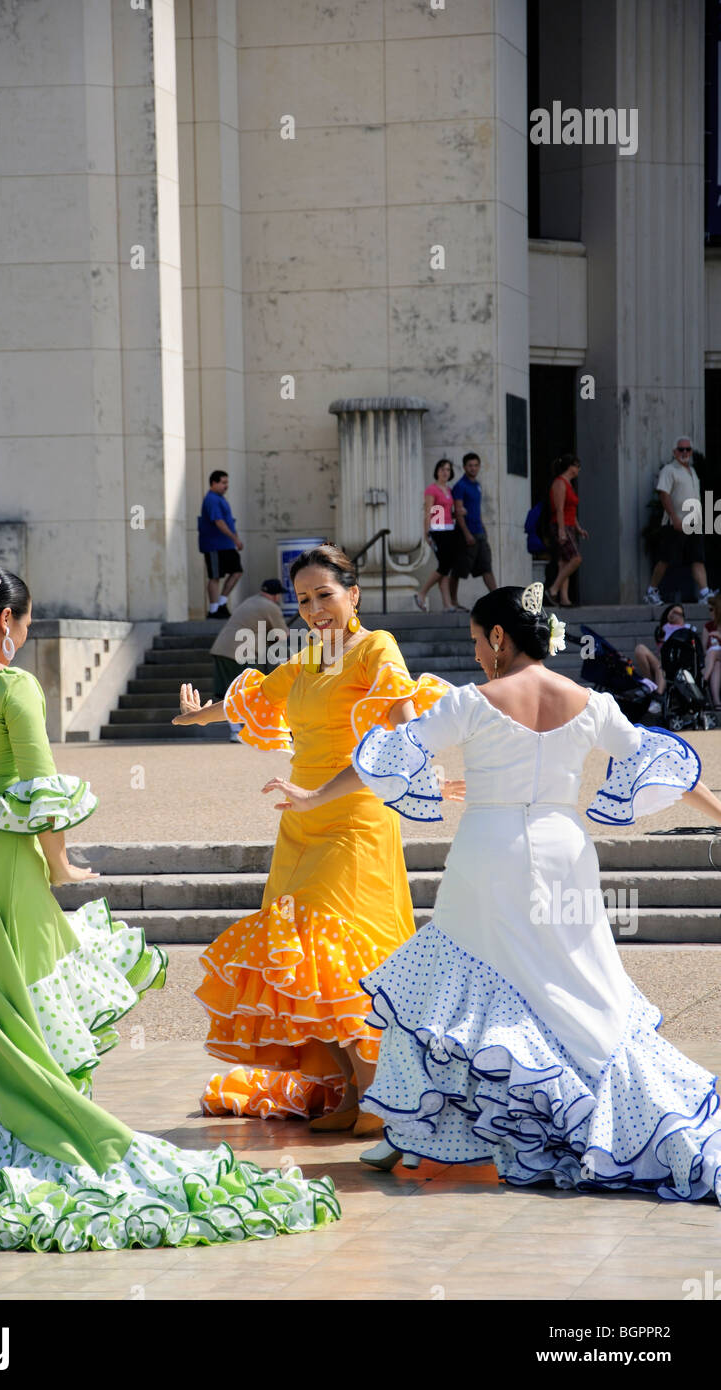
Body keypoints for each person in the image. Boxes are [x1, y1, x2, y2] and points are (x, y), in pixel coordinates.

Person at [0, 560, 338, 1250]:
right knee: (32, 988)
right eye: (22, 624)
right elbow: (38, 790)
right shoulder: (10, 683)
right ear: (4, 622)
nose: (20, 636)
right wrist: (59, 864)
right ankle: (45, 1122)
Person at [270, 584, 721, 1201]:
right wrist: (718, 806)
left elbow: (386, 758)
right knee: (585, 990)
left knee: (448, 989)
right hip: (565, 854)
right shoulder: (591, 702)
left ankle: (419, 1129)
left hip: (490, 857)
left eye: (478, 640)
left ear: (501, 638)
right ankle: (630, 1119)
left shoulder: (472, 702)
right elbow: (658, 759)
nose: (478, 652)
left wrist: (315, 794)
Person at [172, 544, 459, 1132]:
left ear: (353, 594)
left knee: (337, 950)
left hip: (354, 816)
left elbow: (403, 725)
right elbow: (251, 699)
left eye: (324, 595)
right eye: (303, 599)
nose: (313, 608)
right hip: (298, 823)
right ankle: (350, 1092)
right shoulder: (304, 661)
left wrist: (420, 772)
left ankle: (380, 1097)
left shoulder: (375, 648)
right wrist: (195, 716)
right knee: (294, 958)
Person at [210, 578, 289, 743]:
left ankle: (235, 731)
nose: (279, 598)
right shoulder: (271, 607)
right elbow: (283, 636)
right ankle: (245, 731)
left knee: (229, 692)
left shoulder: (250, 601)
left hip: (221, 648)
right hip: (240, 652)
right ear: (275, 596)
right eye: (279, 595)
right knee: (246, 692)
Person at [644, 436, 715, 607]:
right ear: (675, 452)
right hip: (675, 522)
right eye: (681, 449)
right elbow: (664, 493)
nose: (684, 453)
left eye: (688, 449)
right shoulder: (670, 470)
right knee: (666, 558)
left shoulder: (692, 471)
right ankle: (652, 591)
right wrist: (674, 517)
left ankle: (704, 592)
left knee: (697, 558)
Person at [450, 453, 497, 609]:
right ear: (464, 467)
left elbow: (476, 510)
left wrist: (483, 528)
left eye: (476, 465)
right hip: (466, 535)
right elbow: (458, 511)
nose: (473, 468)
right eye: (470, 465)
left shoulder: (477, 485)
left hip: (480, 533)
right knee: (458, 570)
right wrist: (466, 533)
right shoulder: (460, 486)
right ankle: (453, 602)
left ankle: (499, 599)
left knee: (486, 568)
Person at [198, 470, 243, 619]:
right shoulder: (212, 499)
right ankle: (213, 610)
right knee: (215, 576)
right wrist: (234, 538)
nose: (226, 486)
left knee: (237, 571)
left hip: (226, 545)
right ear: (214, 483)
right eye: (223, 483)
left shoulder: (221, 499)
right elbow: (219, 521)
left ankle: (222, 603)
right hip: (214, 545)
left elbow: (229, 521)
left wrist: (234, 538)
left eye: (227, 482)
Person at [415, 458, 457, 613]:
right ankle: (422, 592)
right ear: (437, 471)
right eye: (442, 469)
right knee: (445, 565)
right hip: (437, 530)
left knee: (445, 568)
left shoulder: (449, 490)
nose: (445, 472)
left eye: (448, 469)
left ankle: (447, 604)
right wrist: (427, 532)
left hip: (449, 529)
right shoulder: (431, 489)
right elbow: (428, 510)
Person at [547, 454, 588, 607]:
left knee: (565, 563)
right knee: (576, 559)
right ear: (570, 467)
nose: (578, 469)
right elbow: (559, 509)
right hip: (561, 525)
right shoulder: (560, 483)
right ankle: (553, 589)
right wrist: (561, 531)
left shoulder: (569, 484)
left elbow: (571, 509)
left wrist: (578, 528)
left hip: (569, 525)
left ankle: (564, 599)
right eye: (577, 466)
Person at [703, 593, 721, 707]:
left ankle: (703, 679)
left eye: (711, 609)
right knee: (717, 665)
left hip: (715, 654)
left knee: (713, 651)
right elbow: (704, 649)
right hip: (714, 658)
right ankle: (717, 701)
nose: (709, 612)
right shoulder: (708, 626)